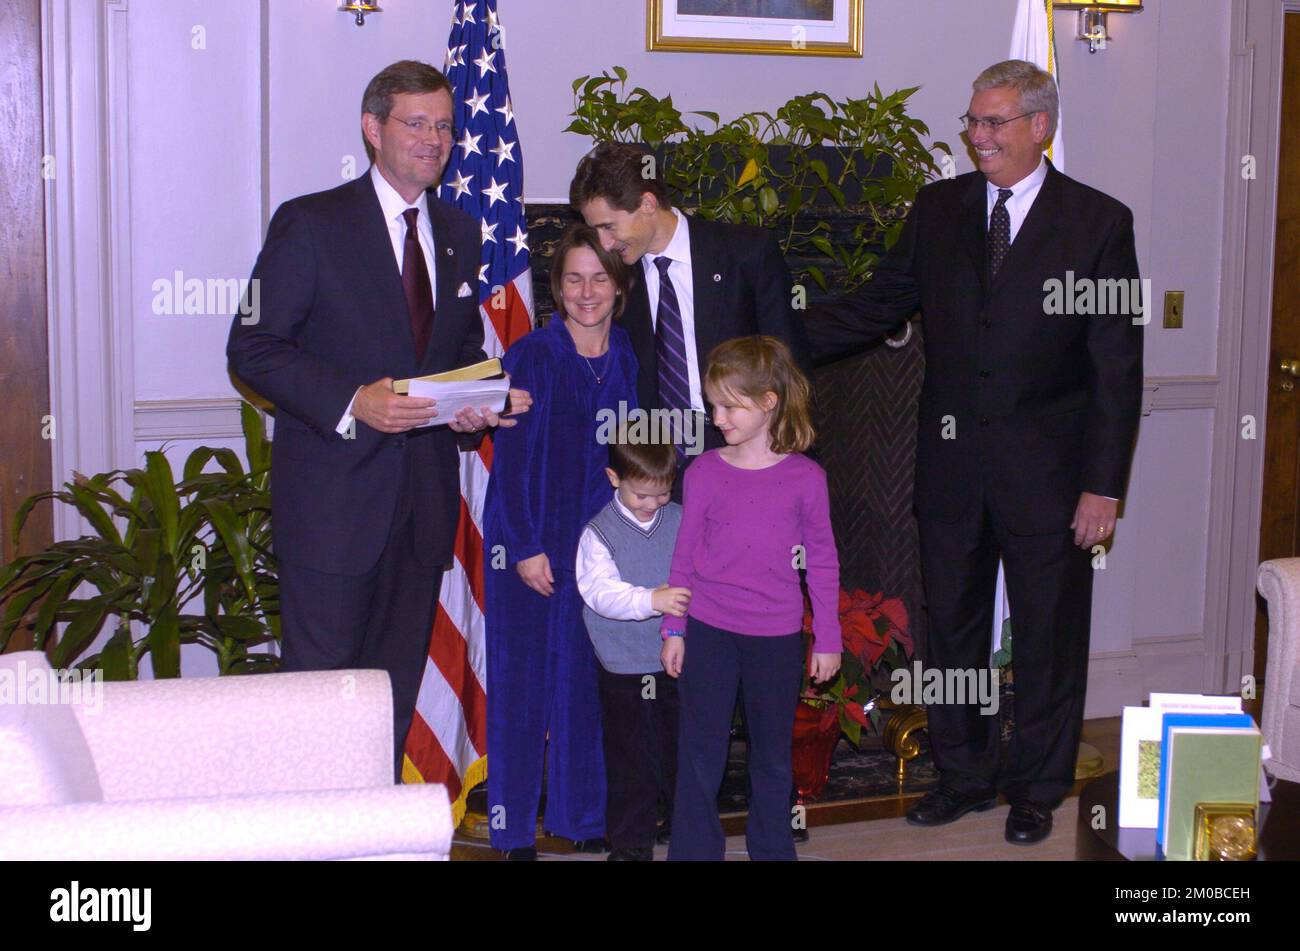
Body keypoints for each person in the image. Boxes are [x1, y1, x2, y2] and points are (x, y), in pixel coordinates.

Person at [805, 60, 1143, 844]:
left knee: (1048, 635)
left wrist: (1103, 486)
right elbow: (880, 304)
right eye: (972, 121)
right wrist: (778, 332)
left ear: (1038, 127)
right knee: (952, 629)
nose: (976, 137)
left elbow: (1117, 368)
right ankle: (962, 774)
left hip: (1052, 481)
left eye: (993, 123)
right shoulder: (938, 209)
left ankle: (1037, 786)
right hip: (951, 468)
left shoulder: (1099, 223)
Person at [226, 60, 530, 780]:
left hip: (421, 513)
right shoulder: (312, 222)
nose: (434, 140)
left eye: (445, 126)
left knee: (387, 705)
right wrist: (351, 400)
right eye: (416, 123)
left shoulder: (459, 229)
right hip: (333, 513)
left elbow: (451, 349)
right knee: (321, 709)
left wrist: (473, 405)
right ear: (374, 128)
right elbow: (252, 346)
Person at [483, 224, 639, 860]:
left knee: (585, 686)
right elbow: (510, 465)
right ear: (556, 287)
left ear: (619, 286)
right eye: (573, 278)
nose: (586, 291)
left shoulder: (630, 354)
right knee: (522, 691)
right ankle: (513, 829)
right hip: (530, 551)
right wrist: (522, 547)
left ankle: (580, 816)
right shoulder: (531, 355)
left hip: (600, 556)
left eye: (599, 277)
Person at [660, 335, 841, 861]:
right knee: (700, 753)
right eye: (713, 404)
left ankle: (772, 850)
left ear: (768, 402)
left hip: (777, 638)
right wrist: (674, 629)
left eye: (729, 405)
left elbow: (823, 563)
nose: (717, 416)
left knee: (771, 757)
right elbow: (684, 557)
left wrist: (827, 636)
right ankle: (693, 852)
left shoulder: (807, 478)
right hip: (710, 631)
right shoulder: (704, 472)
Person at [569, 142, 812, 470]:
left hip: (744, 453)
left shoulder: (746, 253)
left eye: (608, 227)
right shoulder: (613, 274)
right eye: (596, 230)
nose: (605, 243)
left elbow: (789, 363)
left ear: (648, 203)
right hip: (653, 465)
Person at [576, 436, 689, 862]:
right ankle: (631, 842)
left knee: (679, 749)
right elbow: (599, 593)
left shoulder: (679, 519)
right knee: (630, 756)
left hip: (676, 662)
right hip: (624, 666)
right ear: (613, 479)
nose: (651, 503)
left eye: (662, 493)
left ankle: (685, 826)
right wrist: (651, 600)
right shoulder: (599, 533)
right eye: (641, 494)